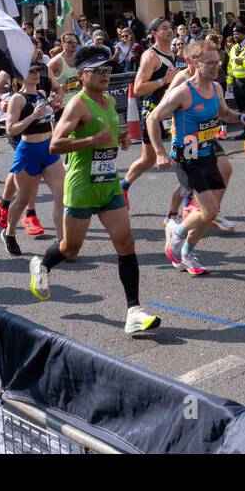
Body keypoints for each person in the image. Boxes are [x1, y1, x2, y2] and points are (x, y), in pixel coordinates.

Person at [30, 45, 160, 335]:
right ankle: (42, 264)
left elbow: (108, 137)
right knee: (70, 247)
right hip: (82, 185)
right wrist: (91, 141)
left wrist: (121, 139)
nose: (105, 75)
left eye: (108, 70)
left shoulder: (108, 102)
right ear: (82, 74)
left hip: (108, 182)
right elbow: (55, 144)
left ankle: (134, 312)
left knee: (126, 242)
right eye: (99, 70)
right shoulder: (78, 104)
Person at [148, 46, 245, 275]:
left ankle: (187, 251)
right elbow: (152, 117)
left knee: (211, 213)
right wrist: (159, 152)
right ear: (196, 63)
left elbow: (224, 113)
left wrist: (241, 117)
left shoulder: (216, 88)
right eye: (211, 63)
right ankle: (176, 232)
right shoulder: (183, 92)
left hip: (206, 155)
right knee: (210, 210)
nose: (217, 67)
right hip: (187, 159)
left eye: (218, 62)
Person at [0, 64, 64, 255]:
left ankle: (61, 242)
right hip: (28, 151)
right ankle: (9, 233)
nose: (36, 75)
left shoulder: (42, 94)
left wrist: (55, 110)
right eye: (31, 72)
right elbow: (10, 130)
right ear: (21, 75)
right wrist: (33, 116)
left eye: (38, 72)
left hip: (48, 149)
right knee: (23, 199)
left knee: (61, 194)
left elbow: (50, 119)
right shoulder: (17, 99)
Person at [124, 18, 178, 190]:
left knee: (185, 151)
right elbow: (138, 88)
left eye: (170, 27)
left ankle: (190, 198)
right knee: (148, 159)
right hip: (153, 109)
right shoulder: (150, 56)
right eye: (164, 28)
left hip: (170, 108)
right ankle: (123, 186)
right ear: (154, 33)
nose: (169, 31)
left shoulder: (172, 53)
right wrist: (164, 80)